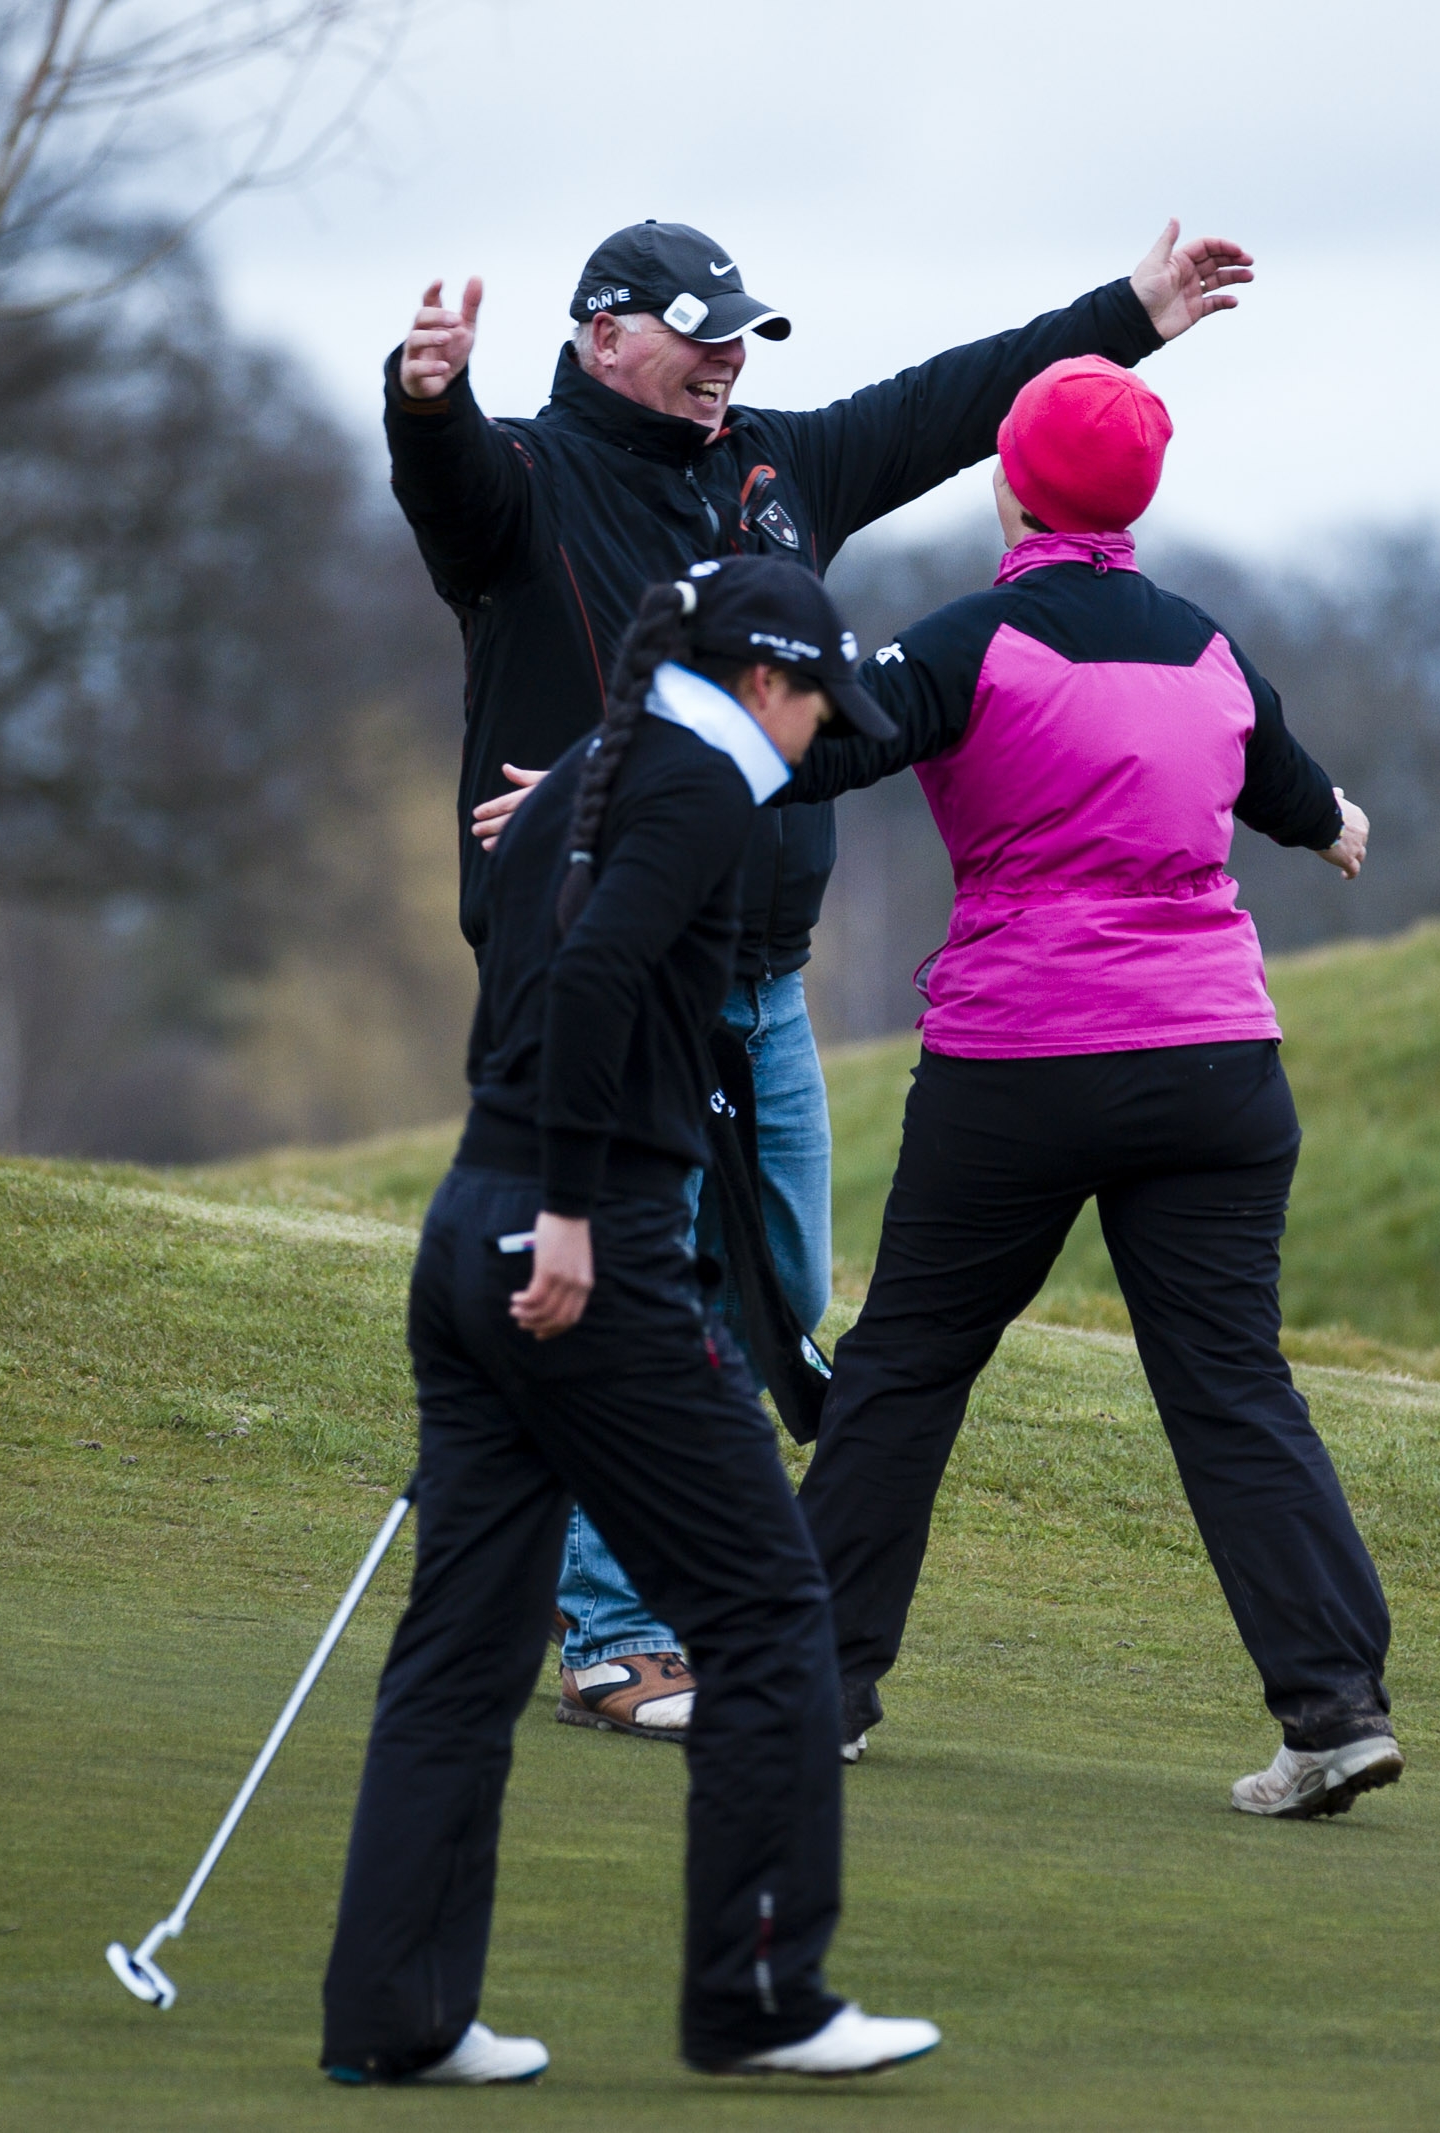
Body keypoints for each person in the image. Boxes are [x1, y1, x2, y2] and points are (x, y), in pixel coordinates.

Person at [397, 214, 1259, 1741]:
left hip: (764, 970)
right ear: (604, 337)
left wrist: (1133, 311)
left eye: (740, 332)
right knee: (630, 1282)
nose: (727, 357)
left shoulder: (773, 466)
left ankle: (646, 1581)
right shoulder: (526, 476)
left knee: (779, 1292)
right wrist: (427, 399)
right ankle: (618, 1633)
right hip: (615, 961)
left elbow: (955, 398)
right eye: (698, 333)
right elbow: (450, 492)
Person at [318, 558, 942, 2085]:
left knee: (465, 1644)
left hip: (470, 1235)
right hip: (581, 1252)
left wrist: (538, 1203)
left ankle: (398, 2017)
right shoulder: (697, 789)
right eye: (814, 705)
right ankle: (760, 1998)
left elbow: (553, 988)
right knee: (772, 1608)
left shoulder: (584, 778)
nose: (816, 735)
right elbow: (595, 980)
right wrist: (577, 1212)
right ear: (761, 681)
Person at [775, 356, 1402, 1815]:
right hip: (1216, 1067)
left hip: (1024, 1062)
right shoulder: (1208, 648)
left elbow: (805, 752)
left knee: (909, 1360)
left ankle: (809, 1688)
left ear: (1010, 485)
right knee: (1232, 1383)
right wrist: (1336, 825)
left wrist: (615, 778)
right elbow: (1306, 801)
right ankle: (1334, 1707)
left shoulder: (971, 641)